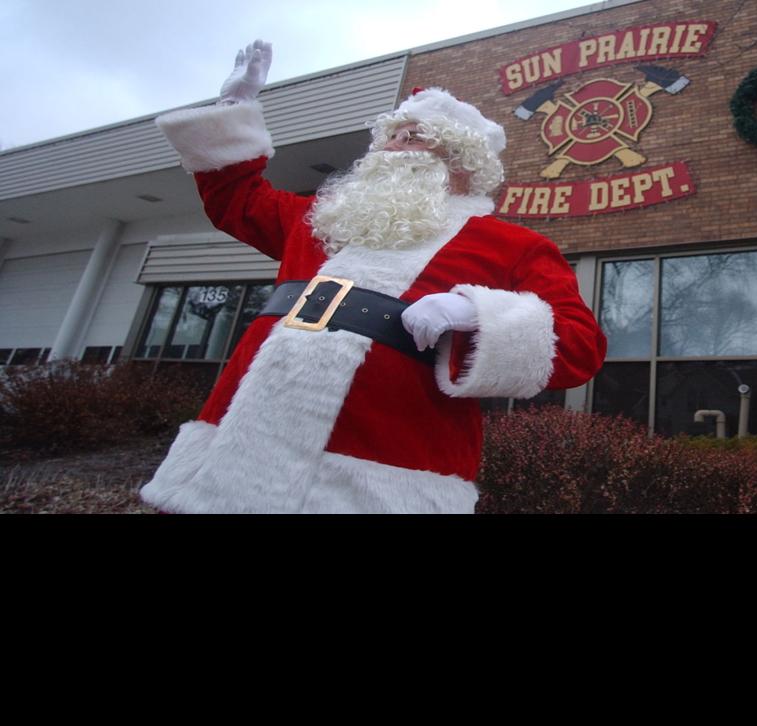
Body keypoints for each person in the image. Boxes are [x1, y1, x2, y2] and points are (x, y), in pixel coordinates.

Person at [140, 40, 606, 513]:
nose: (395, 146)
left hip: (383, 467)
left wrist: (476, 315)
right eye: (392, 136)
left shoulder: (514, 246)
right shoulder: (322, 220)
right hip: (240, 446)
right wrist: (234, 109)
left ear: (463, 162)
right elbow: (234, 198)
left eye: (416, 137)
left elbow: (578, 347)